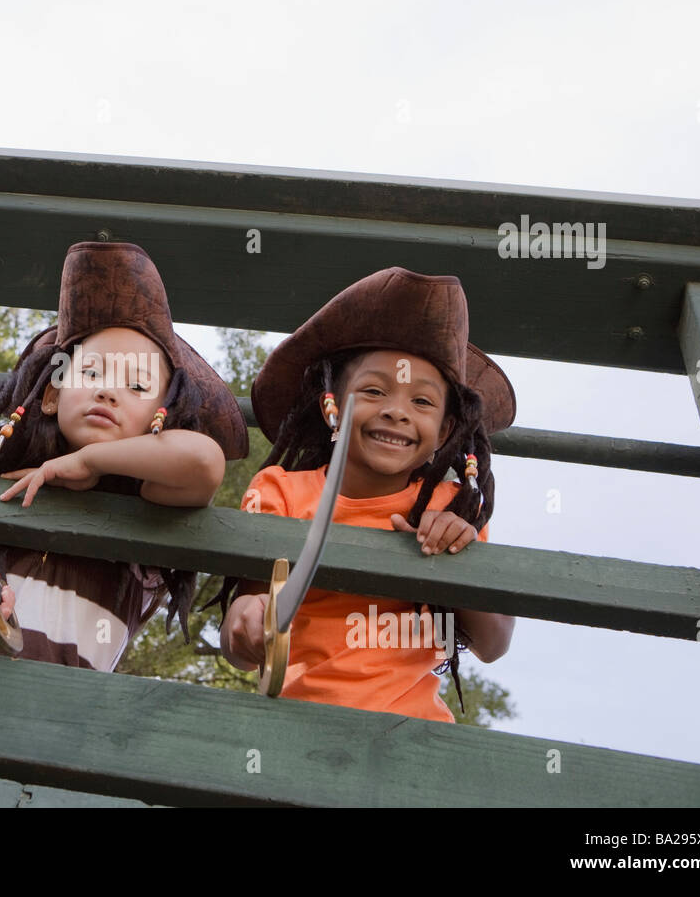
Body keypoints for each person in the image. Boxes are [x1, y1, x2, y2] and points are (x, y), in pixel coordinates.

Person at [0, 241, 249, 671]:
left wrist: (88, 462)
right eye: (91, 371)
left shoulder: (148, 506)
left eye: (136, 385)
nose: (107, 390)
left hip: (64, 722)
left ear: (161, 419)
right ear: (51, 395)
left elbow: (205, 463)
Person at [218, 267, 517, 721]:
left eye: (422, 402)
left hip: (415, 736)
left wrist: (459, 558)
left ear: (445, 430)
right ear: (332, 407)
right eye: (375, 391)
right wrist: (246, 619)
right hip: (295, 726)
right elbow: (239, 643)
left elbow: (494, 645)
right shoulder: (281, 491)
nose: (397, 412)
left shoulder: (451, 507)